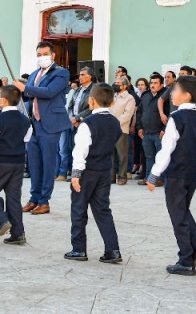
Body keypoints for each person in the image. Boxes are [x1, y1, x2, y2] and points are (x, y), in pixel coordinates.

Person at [147, 75, 196, 276]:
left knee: (177, 215)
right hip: (192, 172)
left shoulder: (176, 118)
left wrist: (154, 174)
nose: (171, 94)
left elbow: (167, 149)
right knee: (182, 209)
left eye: (175, 90)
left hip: (176, 172)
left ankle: (186, 259)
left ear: (186, 95)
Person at [64, 83, 122, 263]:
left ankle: (79, 248)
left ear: (91, 101)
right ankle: (112, 250)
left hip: (86, 171)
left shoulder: (87, 124)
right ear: (112, 102)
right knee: (103, 210)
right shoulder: (115, 122)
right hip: (104, 170)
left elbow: (80, 151)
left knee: (79, 209)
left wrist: (75, 174)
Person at [15, 41, 71, 216]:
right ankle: (34, 198)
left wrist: (25, 88)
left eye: (45, 54)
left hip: (51, 123)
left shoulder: (61, 73)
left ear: (53, 55)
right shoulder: (33, 74)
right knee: (34, 163)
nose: (42, 57)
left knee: (48, 163)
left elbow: (48, 92)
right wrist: (18, 90)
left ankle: (44, 201)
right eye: (39, 55)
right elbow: (28, 94)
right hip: (34, 124)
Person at [0, 85, 32, 245]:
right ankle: (18, 233)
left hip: (0, 161)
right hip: (18, 162)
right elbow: (26, 139)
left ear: (3, 100)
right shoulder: (26, 120)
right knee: (13, 198)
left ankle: (2, 220)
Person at [137, 74, 166, 183]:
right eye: (151, 83)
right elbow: (139, 112)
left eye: (155, 83)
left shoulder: (165, 95)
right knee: (149, 157)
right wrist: (139, 128)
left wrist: (165, 129)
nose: (152, 85)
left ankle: (160, 179)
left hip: (160, 133)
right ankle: (149, 178)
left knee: (160, 157)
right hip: (146, 133)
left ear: (161, 84)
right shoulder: (145, 95)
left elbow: (170, 113)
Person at [109, 76, 137, 185]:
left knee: (122, 155)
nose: (115, 84)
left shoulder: (129, 98)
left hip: (121, 130)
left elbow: (127, 115)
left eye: (118, 83)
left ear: (125, 86)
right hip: (110, 130)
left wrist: (113, 123)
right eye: (115, 82)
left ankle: (122, 177)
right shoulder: (112, 96)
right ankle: (111, 177)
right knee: (110, 155)